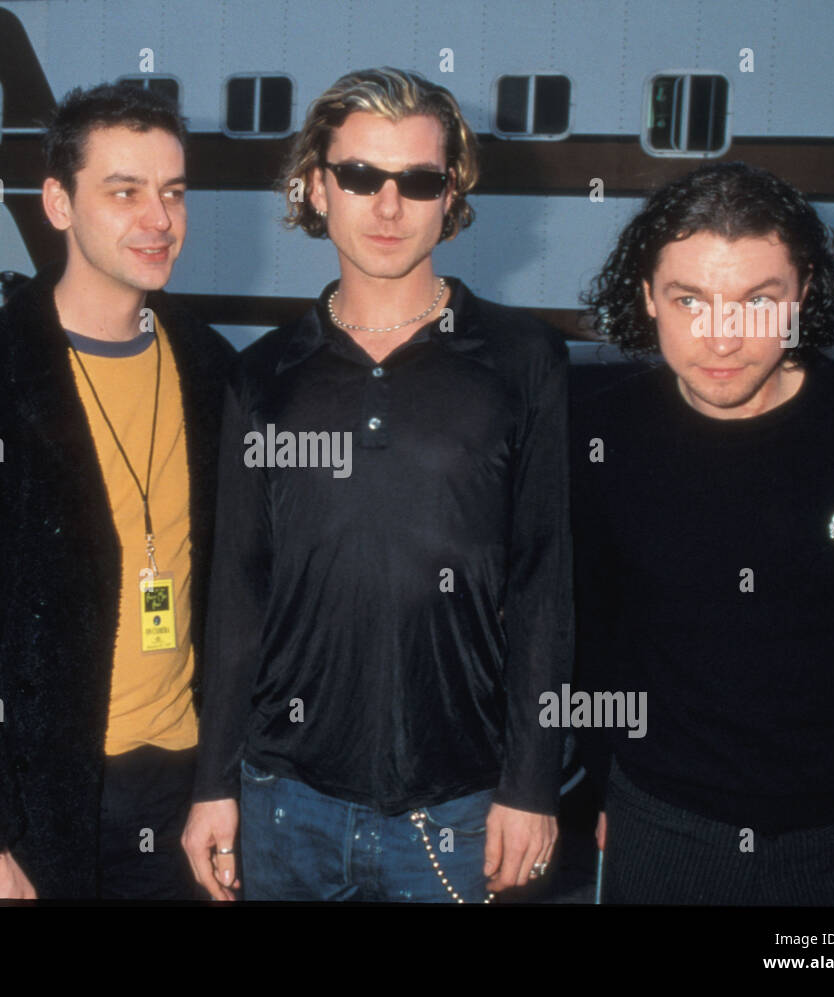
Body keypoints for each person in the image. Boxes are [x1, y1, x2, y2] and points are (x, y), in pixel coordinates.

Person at [182, 68, 573, 902]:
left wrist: (533, 783)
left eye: (418, 180)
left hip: (462, 807)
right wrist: (213, 782)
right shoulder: (263, 377)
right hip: (282, 803)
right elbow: (237, 592)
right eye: (360, 175)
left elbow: (546, 583)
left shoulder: (522, 362)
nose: (388, 205)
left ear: (451, 197)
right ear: (317, 188)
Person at [0, 83, 236, 899]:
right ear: (58, 203)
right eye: (124, 191)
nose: (158, 218)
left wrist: (232, 780)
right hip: (32, 798)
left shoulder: (215, 370)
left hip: (186, 790)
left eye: (173, 192)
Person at [574, 161, 834, 906]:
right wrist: (603, 790)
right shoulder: (596, 435)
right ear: (647, 295)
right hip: (661, 827)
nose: (722, 337)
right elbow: (591, 633)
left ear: (803, 292)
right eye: (690, 300)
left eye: (757, 300)